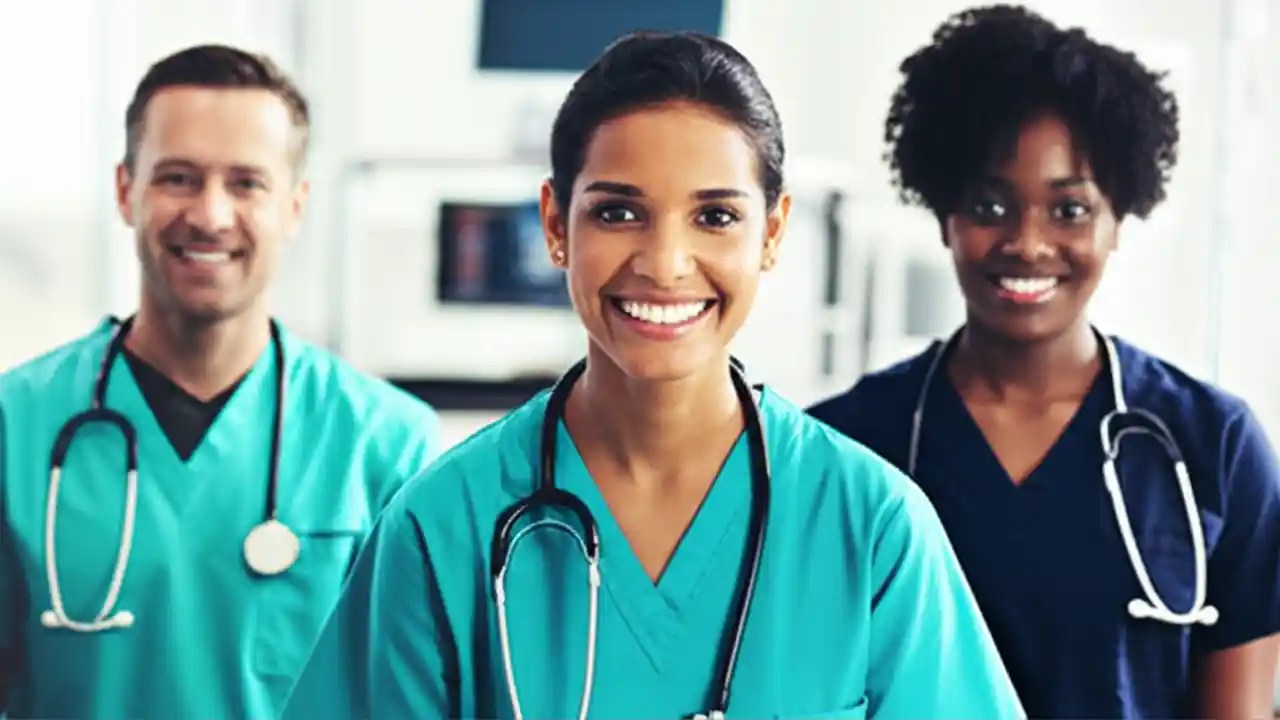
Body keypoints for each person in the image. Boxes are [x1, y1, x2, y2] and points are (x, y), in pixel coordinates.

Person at [282, 30, 1023, 720]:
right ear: (554, 225)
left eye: (715, 217)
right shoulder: (445, 524)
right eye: (617, 212)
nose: (665, 263)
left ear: (771, 233)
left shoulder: (869, 526)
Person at [808, 5, 1280, 718]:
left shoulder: (1214, 445)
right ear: (945, 217)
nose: (1028, 244)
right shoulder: (849, 447)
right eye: (990, 205)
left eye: (1069, 210)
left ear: (1119, 219)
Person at [0, 44, 442, 719]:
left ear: (294, 205)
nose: (209, 215)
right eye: (178, 177)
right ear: (126, 191)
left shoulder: (386, 444)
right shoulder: (15, 423)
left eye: (246, 182)